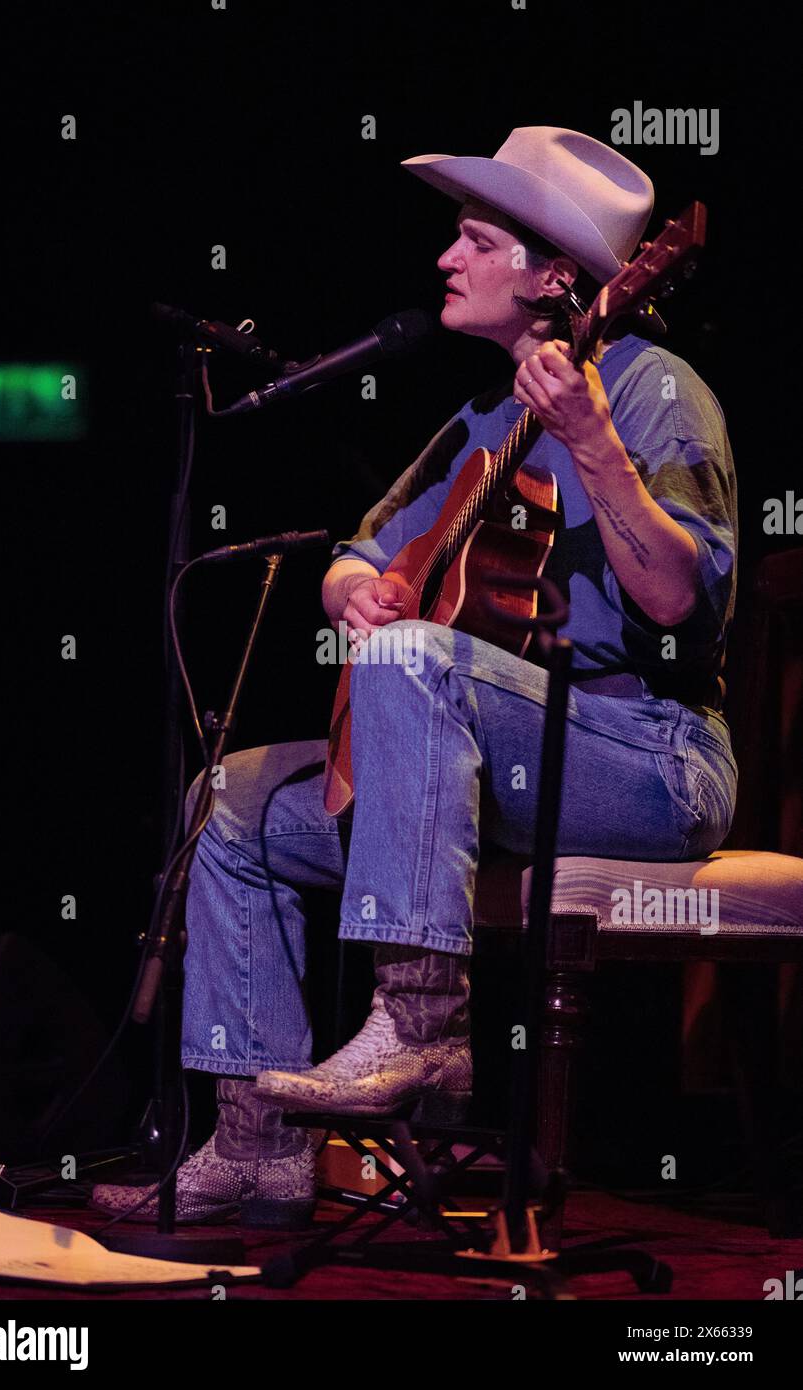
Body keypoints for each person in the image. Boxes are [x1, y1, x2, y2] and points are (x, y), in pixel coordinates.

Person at [91, 126, 738, 1228]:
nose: (445, 257)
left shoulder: (648, 386)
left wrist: (590, 445)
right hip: (498, 770)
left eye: (474, 239)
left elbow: (680, 599)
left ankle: (422, 1025)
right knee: (230, 803)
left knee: (412, 658)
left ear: (554, 281)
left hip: (647, 762)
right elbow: (358, 549)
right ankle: (253, 1143)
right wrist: (350, 590)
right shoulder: (478, 422)